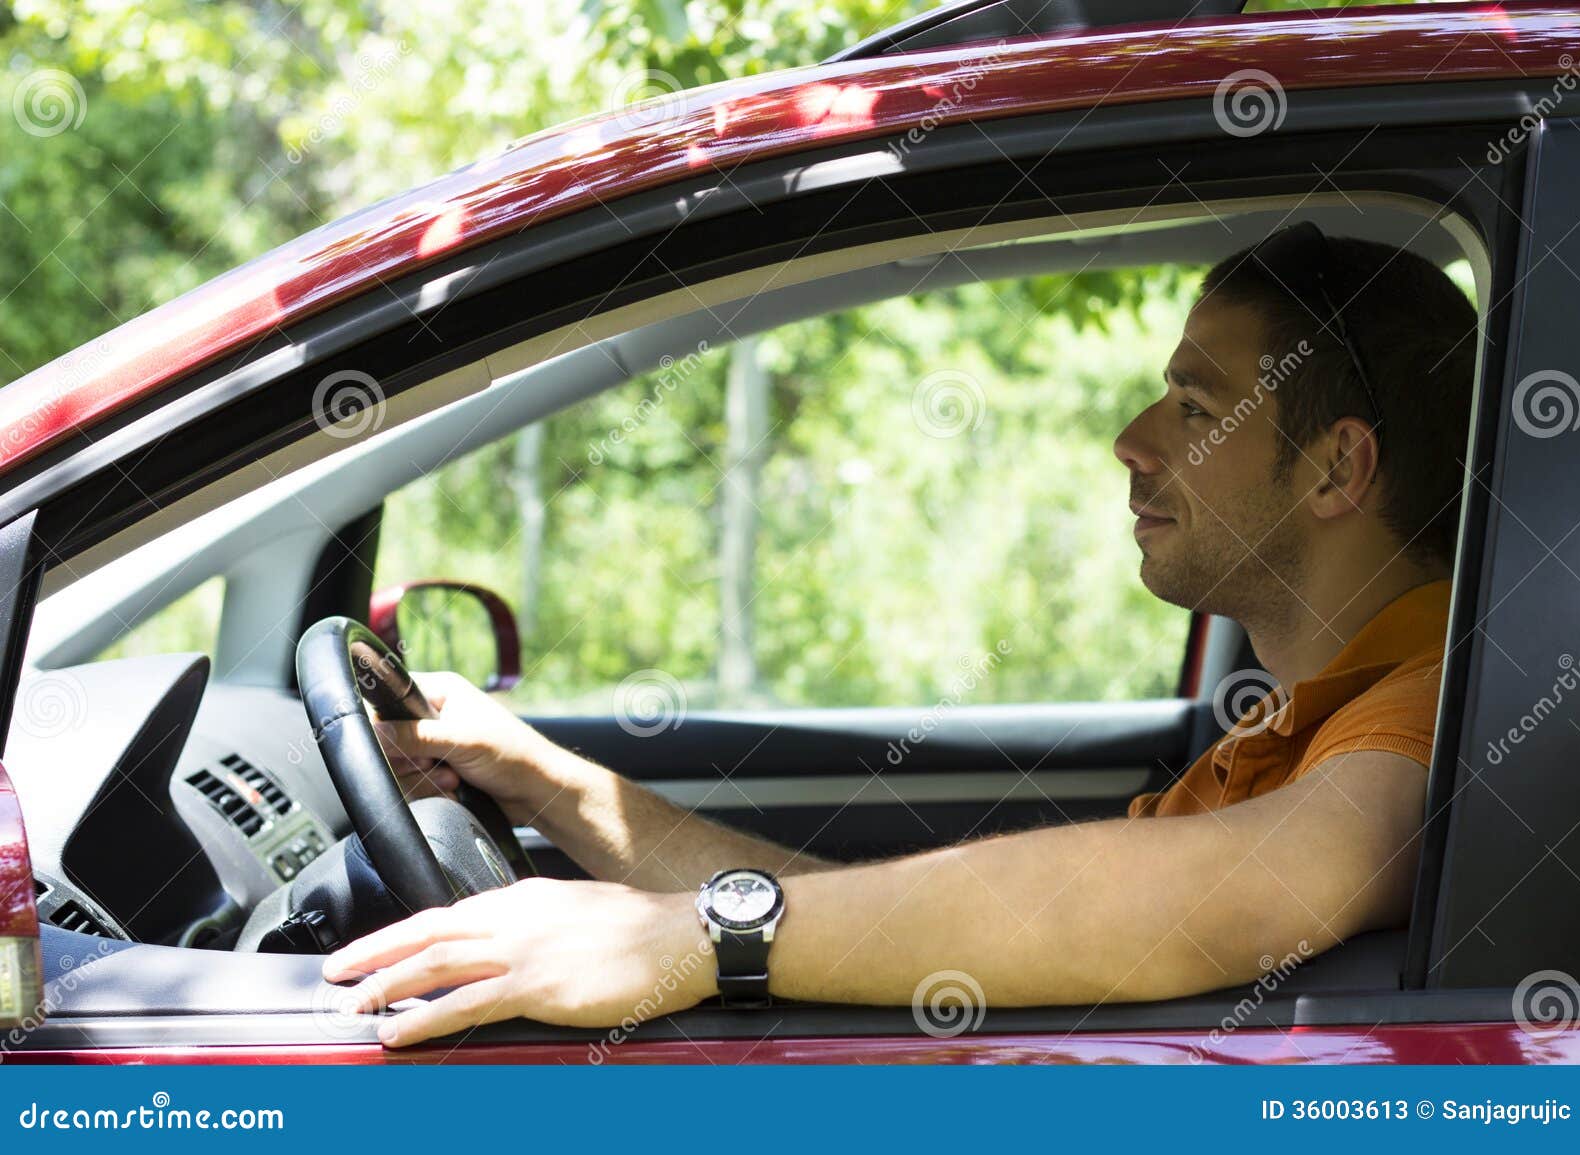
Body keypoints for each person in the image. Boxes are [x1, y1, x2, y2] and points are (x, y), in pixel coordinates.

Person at [321, 223, 1479, 1047]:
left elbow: (1266, 887)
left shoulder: (1435, 709)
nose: (1130, 441)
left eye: (1190, 403)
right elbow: (873, 927)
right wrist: (555, 787)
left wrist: (681, 940)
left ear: (1336, 467)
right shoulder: (1288, 735)